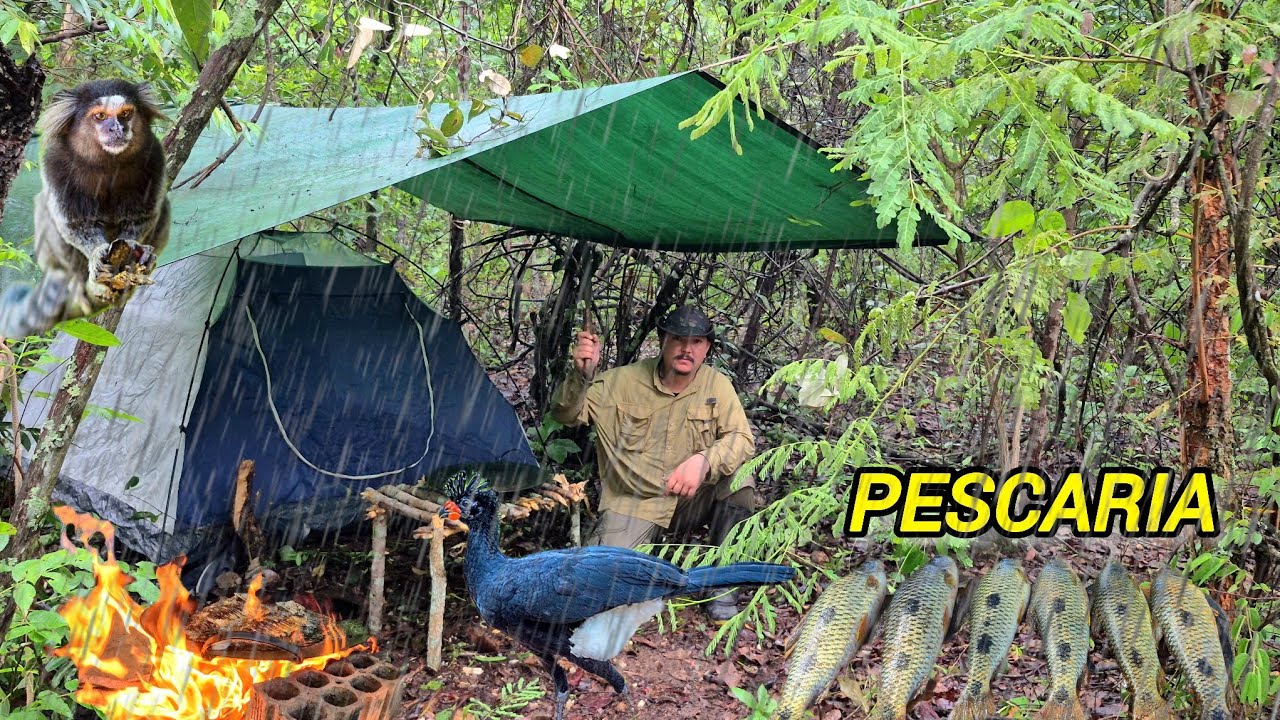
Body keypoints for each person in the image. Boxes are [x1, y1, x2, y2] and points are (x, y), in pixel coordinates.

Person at [550, 305, 757, 621]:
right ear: (662, 340)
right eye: (678, 339)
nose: (687, 349)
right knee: (600, 597)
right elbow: (565, 414)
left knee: (740, 479)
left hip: (687, 504)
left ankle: (723, 585)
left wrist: (704, 461)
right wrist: (581, 374)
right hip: (634, 505)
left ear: (707, 348)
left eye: (697, 342)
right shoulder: (621, 382)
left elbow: (742, 440)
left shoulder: (717, 386)